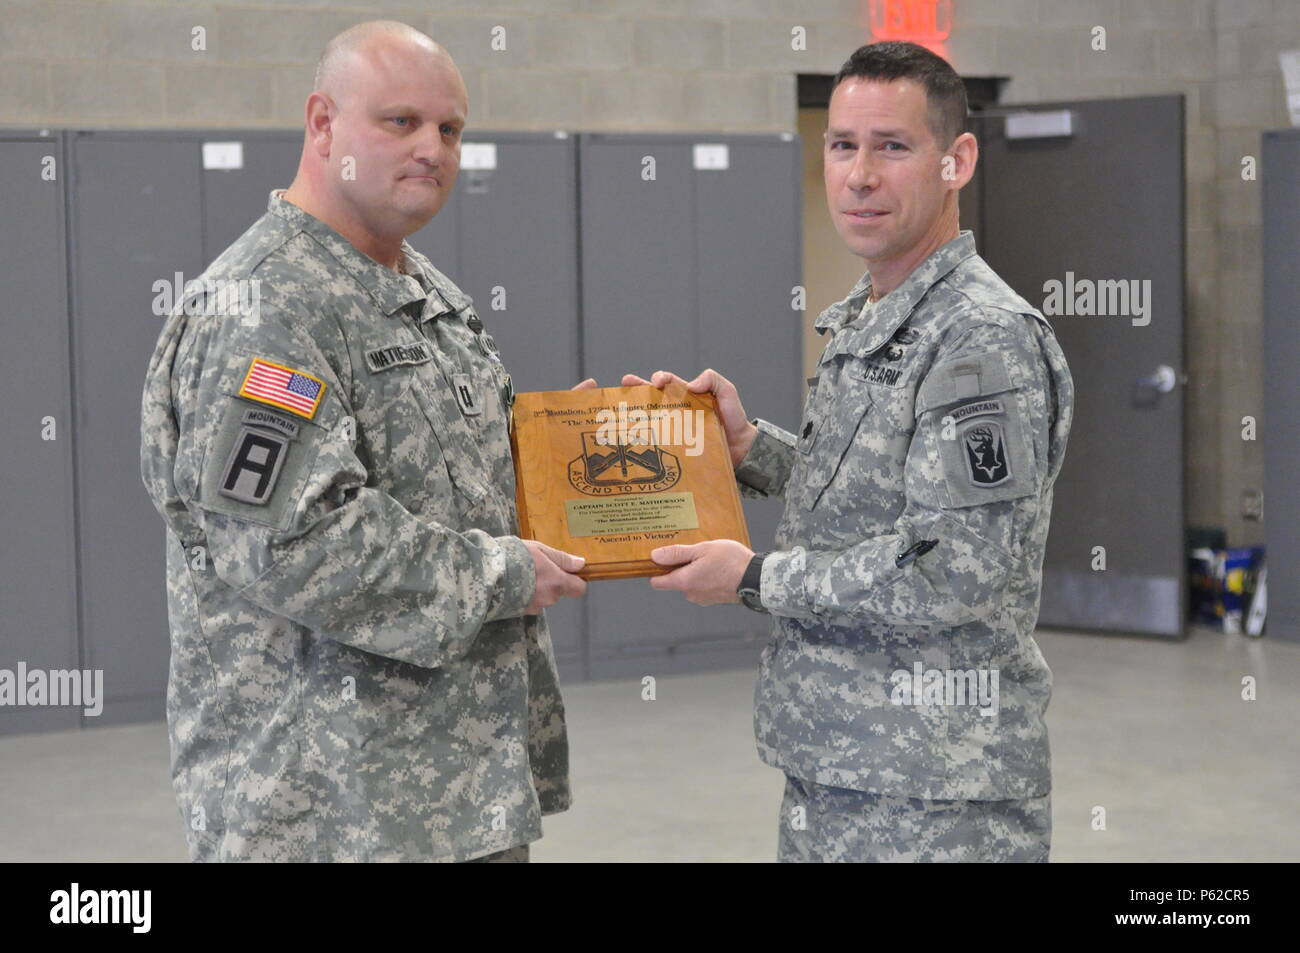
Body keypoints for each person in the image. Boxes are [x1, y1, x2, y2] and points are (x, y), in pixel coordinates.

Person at [139, 20, 587, 862]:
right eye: (400, 121)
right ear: (322, 124)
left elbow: (465, 483)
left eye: (450, 129)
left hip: (455, 800)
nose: (433, 148)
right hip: (328, 814)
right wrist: (504, 573)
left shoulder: (421, 289)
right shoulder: (268, 304)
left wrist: (575, 452)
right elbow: (288, 543)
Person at [628, 41, 1074, 862]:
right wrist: (749, 446)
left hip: (936, 792)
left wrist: (755, 577)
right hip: (839, 765)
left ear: (957, 160)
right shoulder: (870, 317)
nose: (859, 175)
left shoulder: (978, 339)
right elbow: (873, 499)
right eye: (842, 145)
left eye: (892, 146)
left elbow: (951, 567)